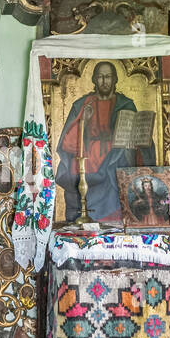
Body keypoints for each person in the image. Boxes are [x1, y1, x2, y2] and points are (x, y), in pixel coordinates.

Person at [57, 61, 137, 222]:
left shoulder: (126, 104)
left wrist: (132, 144)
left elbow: (138, 141)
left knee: (120, 159)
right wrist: (83, 121)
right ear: (94, 80)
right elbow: (67, 143)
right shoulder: (83, 104)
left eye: (108, 77)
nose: (104, 81)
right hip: (88, 159)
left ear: (115, 79)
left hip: (115, 159)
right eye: (100, 77)